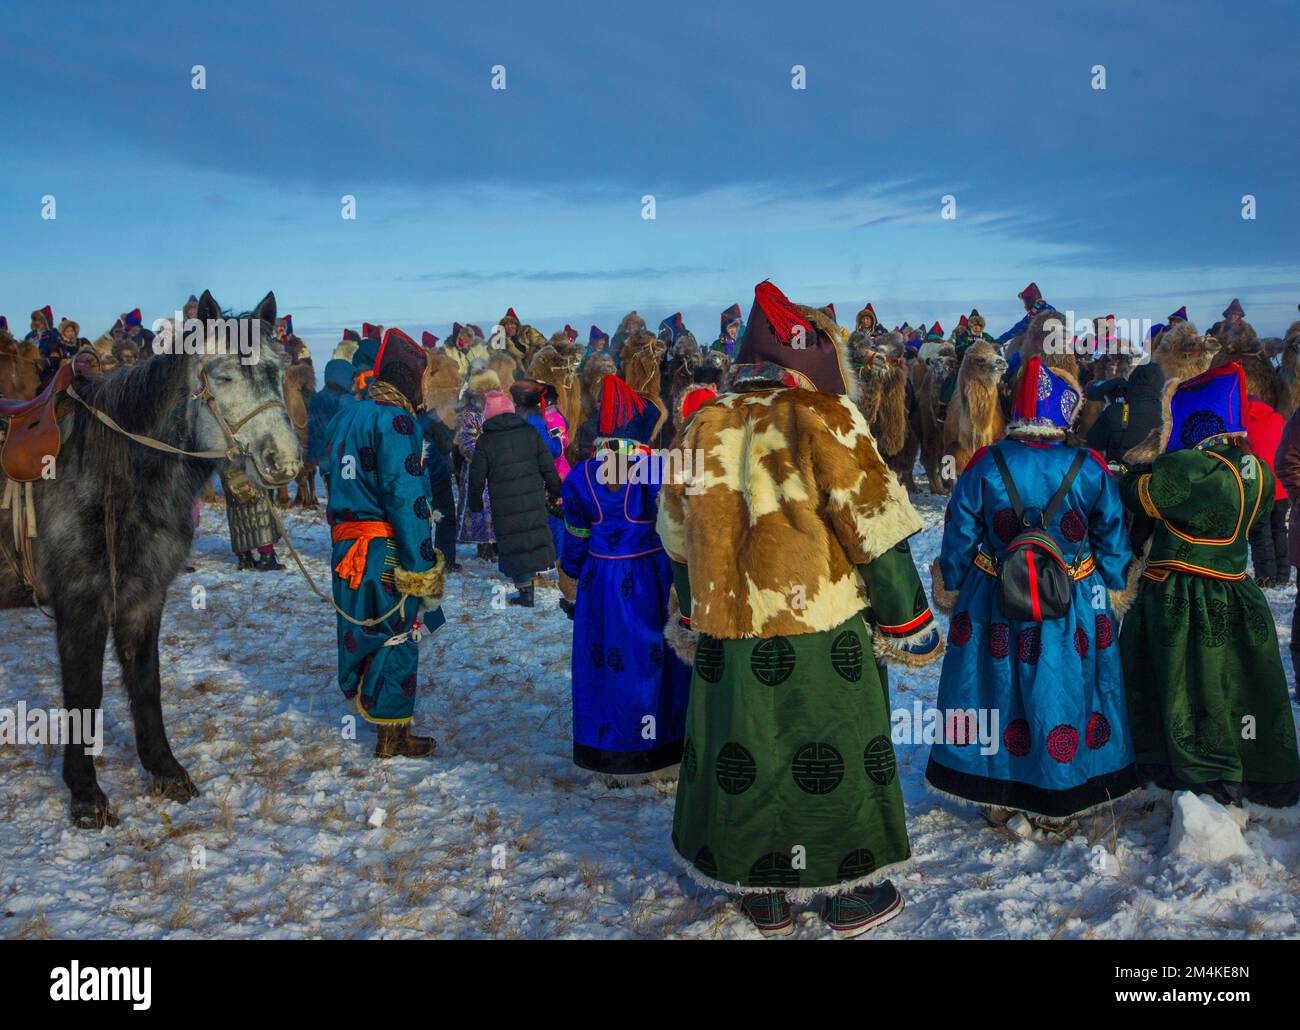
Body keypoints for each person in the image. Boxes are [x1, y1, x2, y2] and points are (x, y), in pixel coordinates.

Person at [658, 279, 941, 938]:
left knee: (746, 748)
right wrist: (909, 619)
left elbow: (676, 534)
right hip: (823, 630)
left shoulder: (703, 423)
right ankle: (847, 896)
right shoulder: (826, 418)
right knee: (830, 750)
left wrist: (691, 609)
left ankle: (761, 893)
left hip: (728, 626)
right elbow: (872, 525)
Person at [927, 356, 1139, 834]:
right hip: (1071, 598)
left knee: (992, 690)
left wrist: (954, 585)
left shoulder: (986, 462)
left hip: (995, 596)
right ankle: (1060, 792)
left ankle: (996, 795)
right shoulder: (1089, 465)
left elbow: (959, 535)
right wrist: (1111, 586)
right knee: (1062, 690)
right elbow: (1113, 539)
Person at [1118, 359, 1300, 807]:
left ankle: (1194, 771)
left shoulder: (1188, 470)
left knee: (1185, 683)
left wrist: (1140, 460)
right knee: (1237, 683)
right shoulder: (1255, 469)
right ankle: (1253, 769)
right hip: (1236, 589)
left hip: (1182, 594)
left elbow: (1137, 493)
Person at [561, 374, 692, 783]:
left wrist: (569, 576)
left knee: (607, 662)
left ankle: (613, 754)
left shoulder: (581, 475)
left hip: (600, 582)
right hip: (650, 579)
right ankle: (660, 751)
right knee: (654, 660)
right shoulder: (656, 468)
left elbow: (575, 539)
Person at [325, 327, 445, 758]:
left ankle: (387, 724)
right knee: (399, 634)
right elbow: (406, 495)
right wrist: (421, 565)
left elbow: (333, 479)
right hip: (385, 548)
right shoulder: (397, 421)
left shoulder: (347, 414)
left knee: (367, 632)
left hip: (348, 549)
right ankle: (391, 738)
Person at [467, 389, 562, 607]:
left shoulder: (485, 441)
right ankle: (529, 586)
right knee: (531, 532)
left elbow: (476, 477)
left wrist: (475, 504)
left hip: (504, 502)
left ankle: (524, 591)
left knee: (514, 539)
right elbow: (547, 465)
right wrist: (556, 490)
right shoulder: (529, 432)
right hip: (533, 496)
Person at [455, 370, 500, 560]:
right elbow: (466, 444)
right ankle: (484, 547)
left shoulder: (497, 411)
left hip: (497, 468)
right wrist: (485, 458)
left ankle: (496, 545)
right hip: (477, 468)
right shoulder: (469, 415)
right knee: (480, 506)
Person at [1085, 361, 1166, 467]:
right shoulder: (1167, 417)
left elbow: (1093, 442)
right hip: (1148, 479)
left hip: (1119, 475)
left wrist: (1109, 407)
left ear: (1133, 380)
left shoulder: (1118, 412)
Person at [307, 357, 356, 495]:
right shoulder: (346, 400)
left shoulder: (317, 398)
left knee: (332, 490)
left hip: (323, 456)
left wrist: (310, 455)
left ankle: (335, 512)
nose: (353, 383)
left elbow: (312, 428)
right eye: (351, 379)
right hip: (345, 455)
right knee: (348, 491)